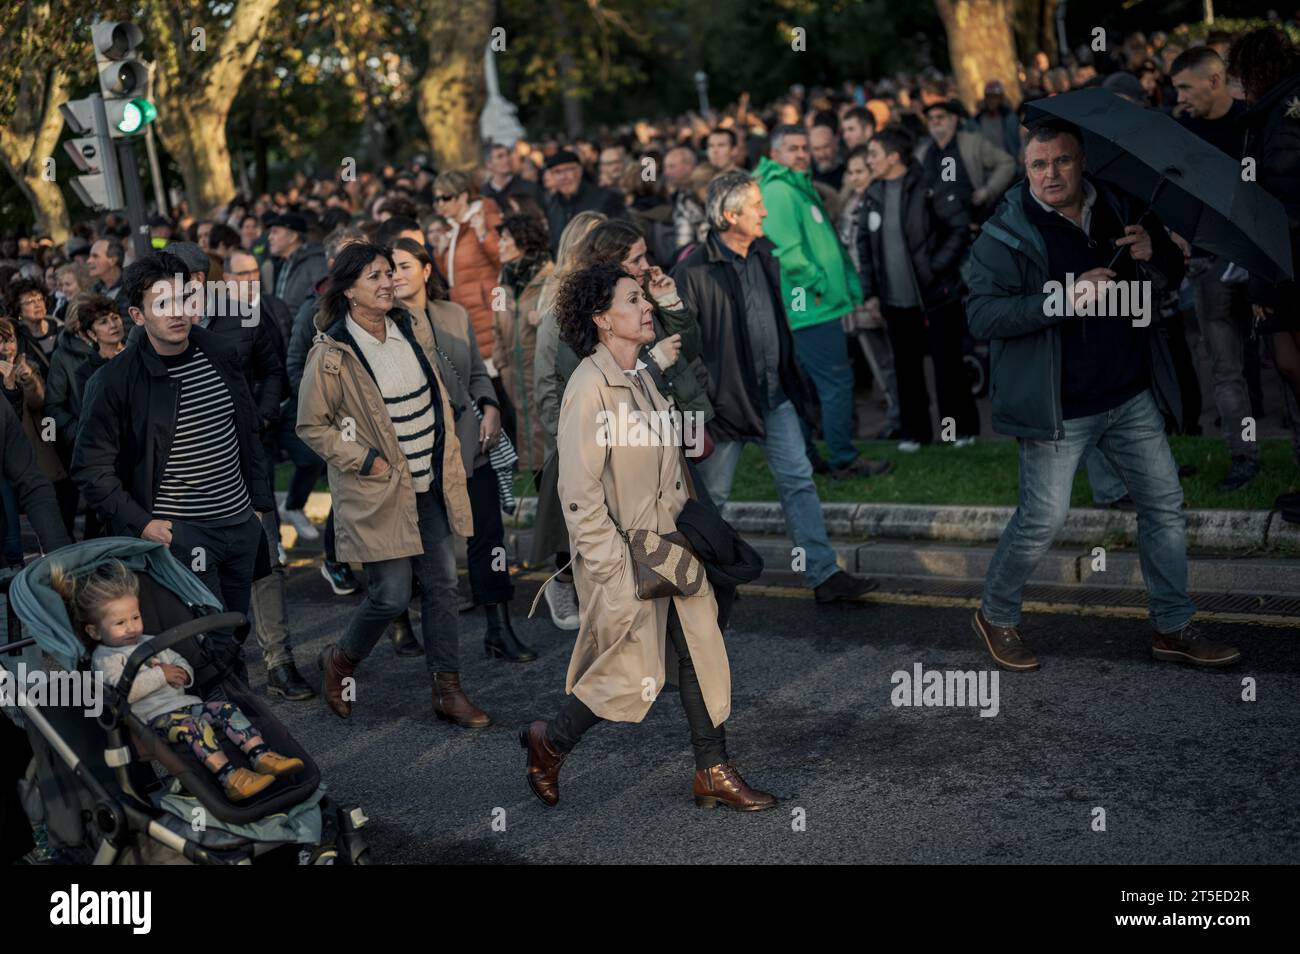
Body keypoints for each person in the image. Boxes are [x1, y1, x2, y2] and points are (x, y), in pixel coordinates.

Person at [965, 119, 1240, 671]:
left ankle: (1172, 625)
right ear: (1025, 168)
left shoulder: (1119, 206)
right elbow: (981, 315)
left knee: (1164, 506)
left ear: (1081, 160)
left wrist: (1154, 253)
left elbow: (1165, 277)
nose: (1050, 174)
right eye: (1038, 165)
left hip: (1129, 393)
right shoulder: (1006, 232)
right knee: (1043, 519)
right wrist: (1064, 297)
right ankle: (996, 614)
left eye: (1061, 161)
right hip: (1060, 406)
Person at [520, 260, 776, 812]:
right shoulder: (588, 389)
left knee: (699, 652)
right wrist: (612, 569)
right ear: (603, 319)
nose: (645, 309)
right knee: (628, 672)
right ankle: (549, 742)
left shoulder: (640, 374)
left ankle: (713, 769)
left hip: (671, 550)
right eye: (633, 301)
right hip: (626, 558)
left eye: (644, 299)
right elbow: (579, 494)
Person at [297, 243, 487, 725]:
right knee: (391, 595)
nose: (387, 283)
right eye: (373, 277)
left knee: (443, 585)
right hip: (379, 490)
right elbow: (312, 425)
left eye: (388, 273)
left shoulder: (409, 324)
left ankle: (448, 691)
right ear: (349, 290)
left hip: (430, 481)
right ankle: (339, 660)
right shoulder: (332, 351)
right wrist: (365, 460)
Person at [675, 171, 883, 604]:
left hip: (775, 397)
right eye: (756, 206)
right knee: (712, 499)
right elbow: (682, 349)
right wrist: (706, 399)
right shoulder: (692, 271)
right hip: (723, 407)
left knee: (799, 481)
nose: (765, 212)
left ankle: (823, 575)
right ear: (731, 215)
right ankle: (697, 586)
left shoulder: (765, 250)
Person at [72, 251, 273, 682]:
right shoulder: (114, 381)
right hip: (181, 531)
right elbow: (91, 470)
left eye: (184, 298)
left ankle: (230, 725)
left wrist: (257, 505)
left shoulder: (220, 352)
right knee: (209, 642)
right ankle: (221, 728)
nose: (177, 312)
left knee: (237, 631)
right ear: (137, 315)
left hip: (239, 522)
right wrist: (144, 524)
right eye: (162, 303)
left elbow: (248, 430)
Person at [391, 237, 534, 663]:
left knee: (489, 539)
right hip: (418, 454)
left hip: (471, 447)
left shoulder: (453, 314)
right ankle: (402, 623)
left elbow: (475, 372)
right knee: (420, 546)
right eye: (390, 269)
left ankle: (499, 628)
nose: (396, 276)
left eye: (404, 266)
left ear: (426, 270)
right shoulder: (383, 323)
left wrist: (490, 408)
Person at [60, 560, 303, 802]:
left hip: (184, 705)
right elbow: (121, 692)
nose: (132, 627)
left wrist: (183, 673)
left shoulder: (149, 641)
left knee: (226, 708)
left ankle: (261, 756)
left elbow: (178, 661)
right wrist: (161, 675)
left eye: (135, 617)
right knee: (194, 726)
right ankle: (230, 778)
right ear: (94, 631)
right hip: (151, 720)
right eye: (120, 623)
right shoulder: (105, 658)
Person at [755, 125, 891, 480]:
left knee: (809, 388)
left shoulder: (795, 186)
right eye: (793, 149)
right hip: (811, 307)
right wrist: (820, 285)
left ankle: (808, 456)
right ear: (775, 155)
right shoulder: (781, 191)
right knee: (835, 383)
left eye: (804, 148)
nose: (802, 154)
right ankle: (843, 459)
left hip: (815, 305)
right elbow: (788, 253)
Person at [858, 127, 979, 450]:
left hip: (936, 297)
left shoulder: (928, 184)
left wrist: (937, 267)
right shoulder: (874, 193)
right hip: (895, 302)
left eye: (873, 154)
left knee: (947, 367)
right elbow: (865, 248)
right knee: (907, 369)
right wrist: (870, 292)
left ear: (893, 157)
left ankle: (959, 432)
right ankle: (915, 434)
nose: (868, 160)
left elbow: (958, 228)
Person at [1170, 46, 1257, 491]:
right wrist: (1178, 229)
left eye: (1186, 87)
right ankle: (1244, 455)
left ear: (1215, 81)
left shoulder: (1254, 121)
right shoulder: (1181, 131)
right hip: (1206, 262)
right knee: (1225, 370)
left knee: (1287, 360)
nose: (1181, 97)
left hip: (1262, 259)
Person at [1228, 27, 1300, 517]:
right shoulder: (1268, 113)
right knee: (1290, 367)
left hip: (1290, 264)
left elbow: (1282, 200)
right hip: (1281, 267)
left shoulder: (1286, 115)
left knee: (1293, 366)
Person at [531, 212, 605, 632]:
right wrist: (563, 431)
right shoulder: (560, 298)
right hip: (570, 427)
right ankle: (561, 580)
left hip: (607, 424)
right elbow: (545, 377)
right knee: (568, 514)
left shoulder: (605, 293)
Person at [282, 228, 364, 598]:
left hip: (373, 415)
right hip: (337, 419)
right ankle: (335, 560)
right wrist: (322, 407)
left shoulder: (376, 305)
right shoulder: (312, 310)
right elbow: (296, 364)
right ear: (332, 263)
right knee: (344, 489)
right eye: (348, 256)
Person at [838, 144, 901, 440]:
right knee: (880, 363)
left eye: (860, 171)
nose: (855, 177)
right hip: (857, 297)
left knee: (893, 362)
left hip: (880, 293)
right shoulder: (849, 203)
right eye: (850, 172)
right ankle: (895, 416)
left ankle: (900, 417)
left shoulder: (878, 200)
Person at [494, 213, 554, 475]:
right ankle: (532, 498)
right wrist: (501, 363)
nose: (500, 245)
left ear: (523, 241)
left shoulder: (551, 278)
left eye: (505, 239)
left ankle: (548, 496)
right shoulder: (503, 278)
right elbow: (496, 322)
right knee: (525, 429)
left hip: (541, 368)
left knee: (546, 431)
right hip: (513, 371)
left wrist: (544, 320)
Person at [916, 99, 1016, 223]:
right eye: (930, 118)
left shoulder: (972, 143)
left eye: (940, 117)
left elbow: (1007, 163)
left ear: (953, 119)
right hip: (938, 224)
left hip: (972, 219)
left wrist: (988, 190)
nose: (935, 121)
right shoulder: (922, 152)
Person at [542, 150, 625, 255]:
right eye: (557, 172)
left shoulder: (606, 197)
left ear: (580, 170)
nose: (564, 177)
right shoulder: (552, 205)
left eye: (569, 169)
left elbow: (621, 239)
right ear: (552, 176)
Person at [267, 213, 327, 317]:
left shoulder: (315, 263)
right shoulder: (283, 262)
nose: (269, 237)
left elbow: (321, 305)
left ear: (292, 237)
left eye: (275, 232)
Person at [975, 81, 1023, 171]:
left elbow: (1017, 142)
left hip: (1009, 165)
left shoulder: (1010, 119)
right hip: (987, 167)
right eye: (989, 97)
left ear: (1001, 98)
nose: (991, 101)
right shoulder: (977, 121)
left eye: (994, 97)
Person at [480, 141, 541, 210]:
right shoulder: (484, 193)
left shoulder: (528, 187)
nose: (507, 159)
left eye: (508, 155)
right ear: (489, 164)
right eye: (500, 156)